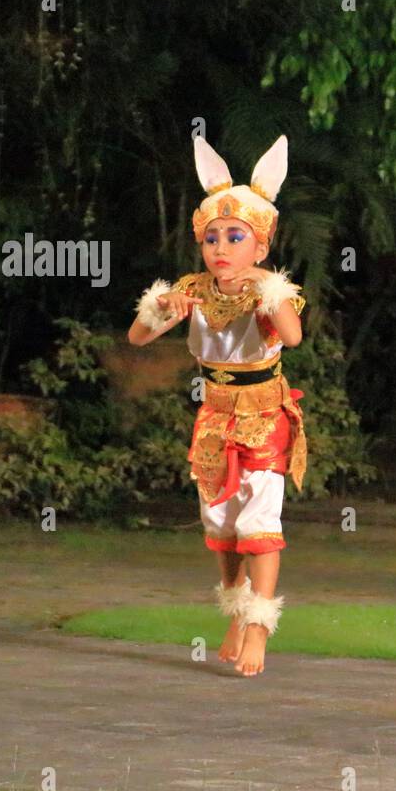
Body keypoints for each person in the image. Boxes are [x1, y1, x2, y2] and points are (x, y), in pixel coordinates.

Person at [127, 134, 307, 677]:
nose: (221, 248)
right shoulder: (191, 288)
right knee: (222, 524)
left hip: (264, 415)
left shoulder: (271, 291)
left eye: (235, 237)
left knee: (259, 521)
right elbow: (137, 338)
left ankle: (258, 628)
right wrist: (161, 308)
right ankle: (235, 610)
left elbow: (294, 338)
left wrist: (266, 290)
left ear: (260, 246)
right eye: (212, 238)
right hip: (215, 416)